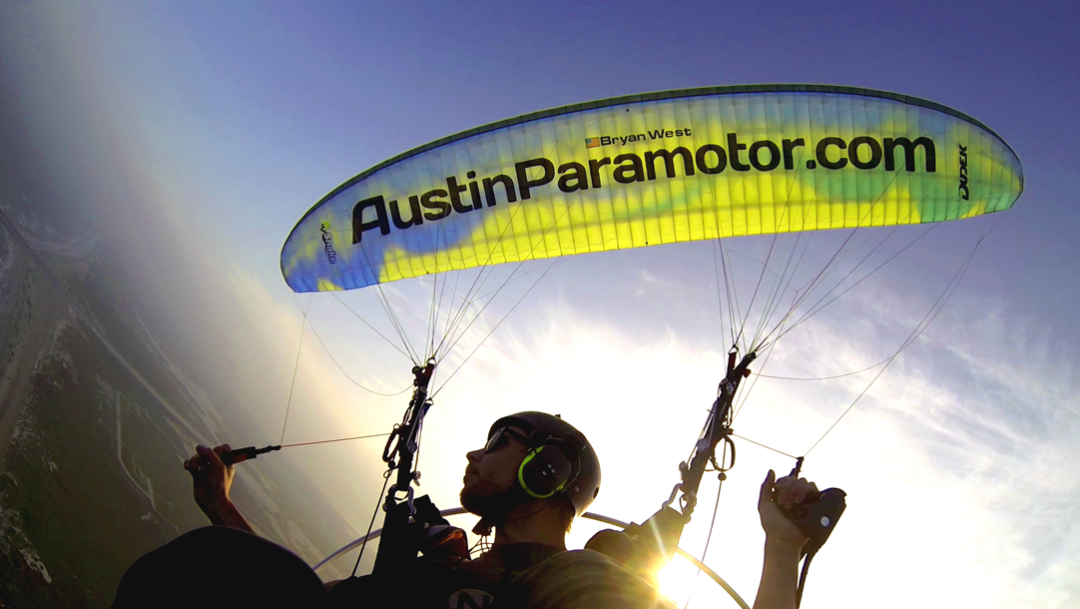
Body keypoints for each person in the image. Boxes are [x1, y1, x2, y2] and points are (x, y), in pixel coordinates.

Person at [113, 412, 821, 609]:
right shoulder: (457, 567)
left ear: (547, 473)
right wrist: (222, 508)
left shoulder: (572, 581)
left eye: (498, 444)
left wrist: (781, 552)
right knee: (216, 564)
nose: (472, 458)